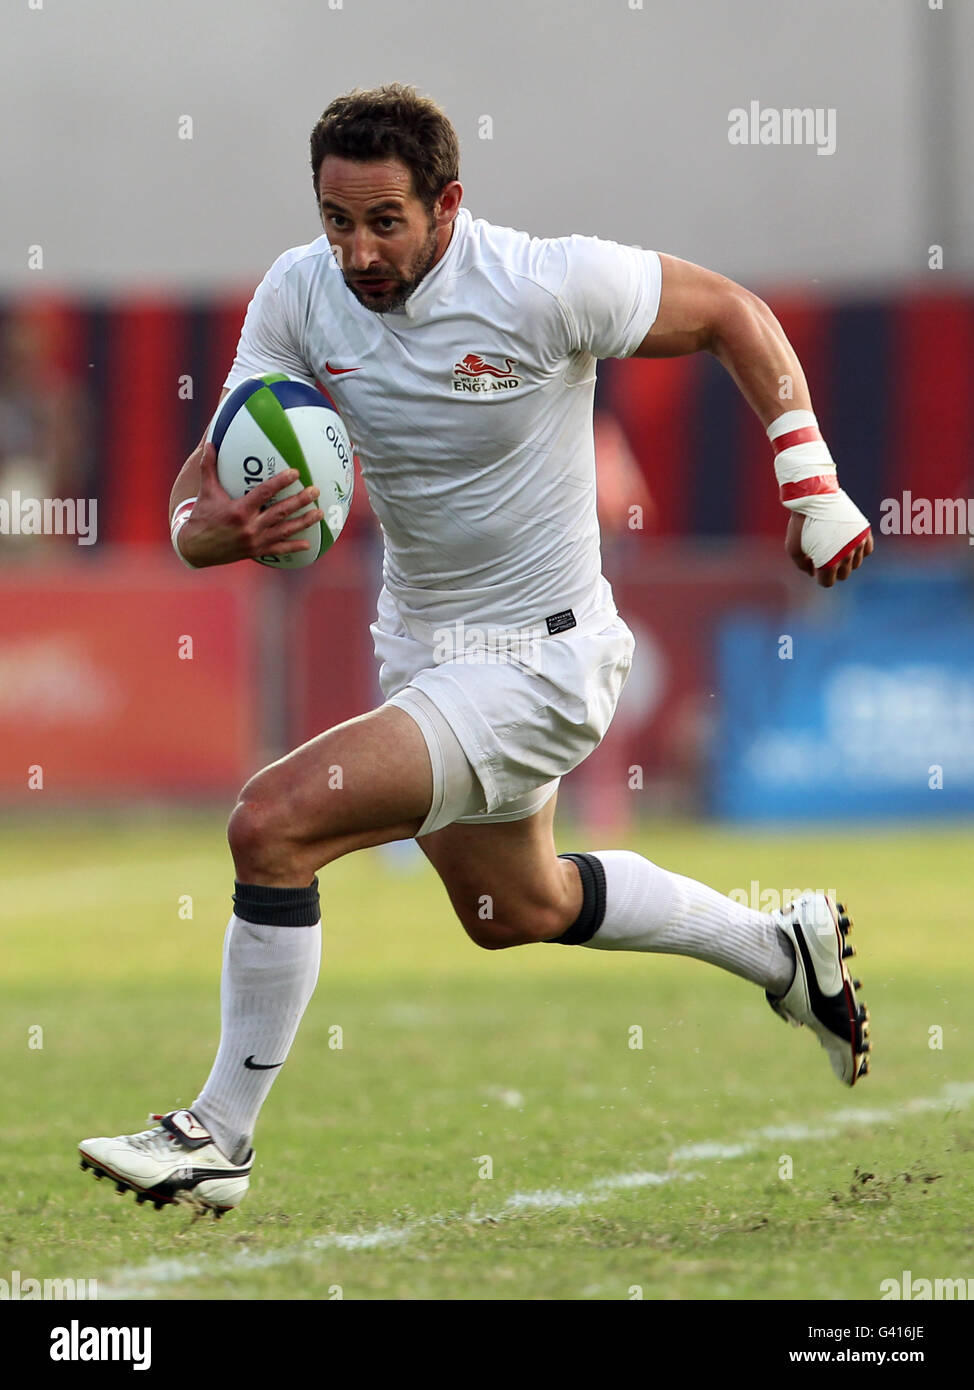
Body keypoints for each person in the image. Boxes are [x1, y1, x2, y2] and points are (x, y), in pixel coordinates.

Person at [79, 84, 873, 1215]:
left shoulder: (542, 283)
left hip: (543, 662)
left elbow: (734, 313)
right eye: (335, 220)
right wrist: (222, 532)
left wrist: (811, 482)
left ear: (446, 205)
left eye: (383, 222)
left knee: (271, 821)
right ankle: (779, 949)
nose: (356, 250)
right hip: (422, 652)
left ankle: (218, 1136)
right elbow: (198, 500)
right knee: (516, 910)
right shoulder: (298, 294)